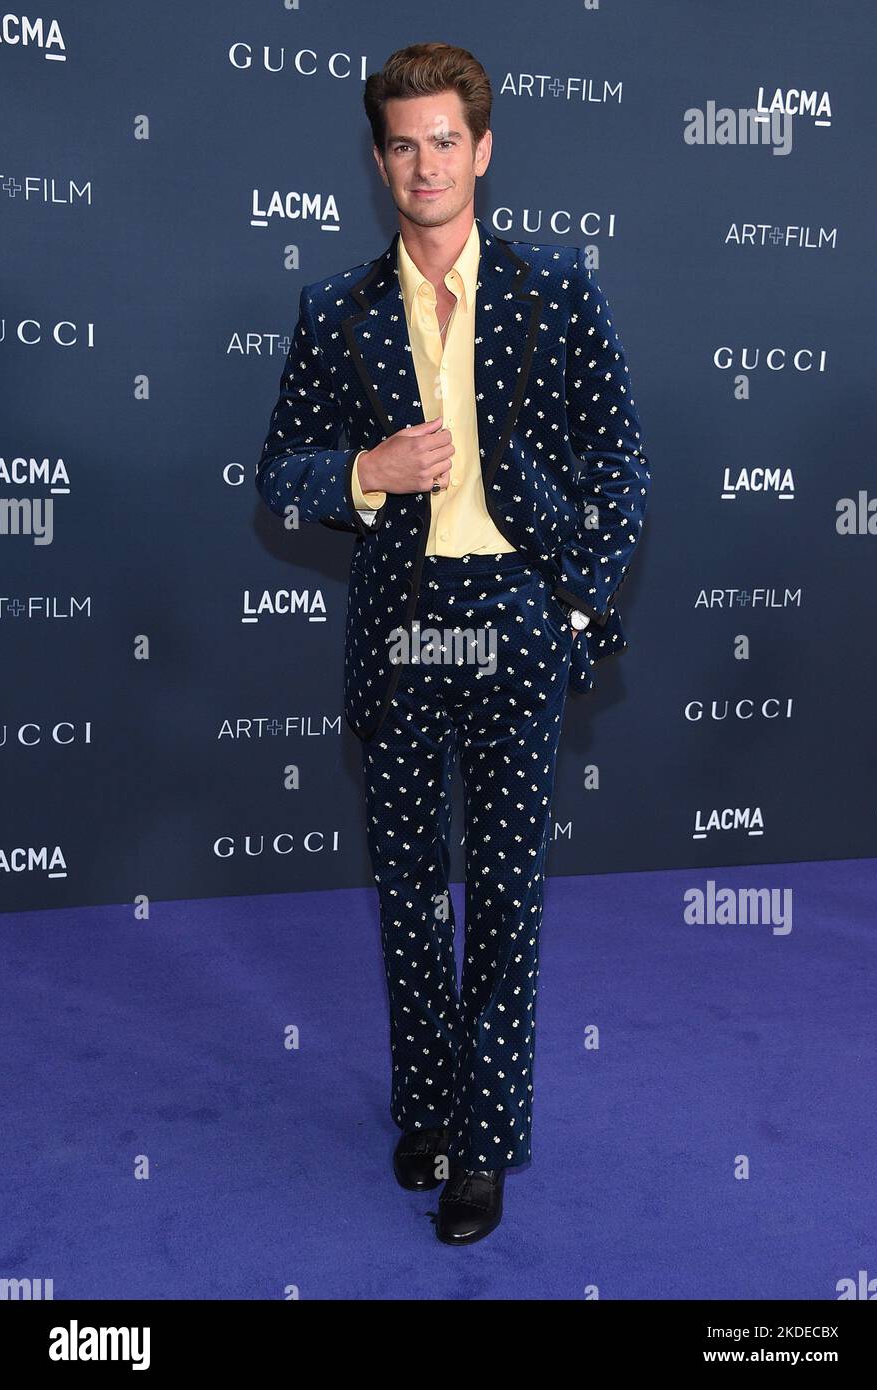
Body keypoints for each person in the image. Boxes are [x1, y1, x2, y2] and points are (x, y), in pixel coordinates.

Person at [255, 41, 650, 1245]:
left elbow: (621, 467)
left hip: (515, 623)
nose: (422, 163)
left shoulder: (556, 289)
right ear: (379, 163)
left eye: (443, 140)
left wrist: (573, 606)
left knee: (509, 900)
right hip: (398, 626)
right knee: (411, 895)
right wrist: (365, 471)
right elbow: (280, 474)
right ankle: (424, 1109)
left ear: (480, 149)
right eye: (400, 144)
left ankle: (483, 1145)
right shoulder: (338, 307)